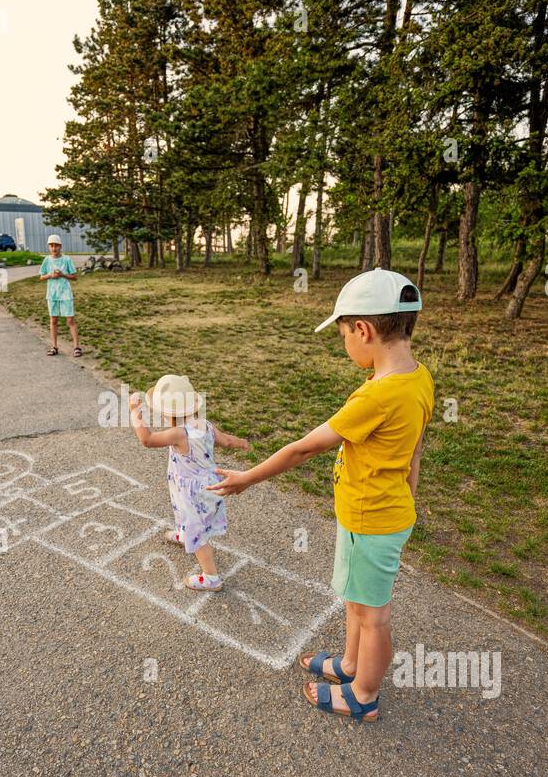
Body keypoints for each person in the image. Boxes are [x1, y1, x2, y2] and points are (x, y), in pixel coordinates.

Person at [209, 269, 433, 721]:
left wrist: (247, 478)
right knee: (356, 600)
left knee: (374, 616)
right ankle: (351, 664)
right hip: (373, 515)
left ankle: (365, 695)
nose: (344, 342)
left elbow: (304, 448)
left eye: (344, 332)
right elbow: (415, 449)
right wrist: (410, 498)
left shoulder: (376, 397)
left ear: (364, 330)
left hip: (372, 520)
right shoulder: (418, 378)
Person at [129, 375, 250, 590]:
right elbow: (227, 441)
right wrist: (241, 443)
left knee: (198, 535)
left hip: (194, 493)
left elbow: (146, 440)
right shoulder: (206, 425)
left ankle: (211, 577)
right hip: (207, 485)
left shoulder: (178, 433)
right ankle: (183, 532)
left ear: (168, 412)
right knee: (185, 515)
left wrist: (135, 411)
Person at [39, 234, 81, 357]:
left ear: (60, 246)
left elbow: (75, 277)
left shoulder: (67, 260)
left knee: (70, 320)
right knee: (53, 320)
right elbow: (41, 277)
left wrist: (62, 275)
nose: (54, 248)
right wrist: (51, 275)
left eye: (56, 245)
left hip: (65, 294)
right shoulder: (47, 260)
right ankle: (54, 346)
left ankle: (76, 347)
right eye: (51, 245)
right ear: (48, 247)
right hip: (52, 295)